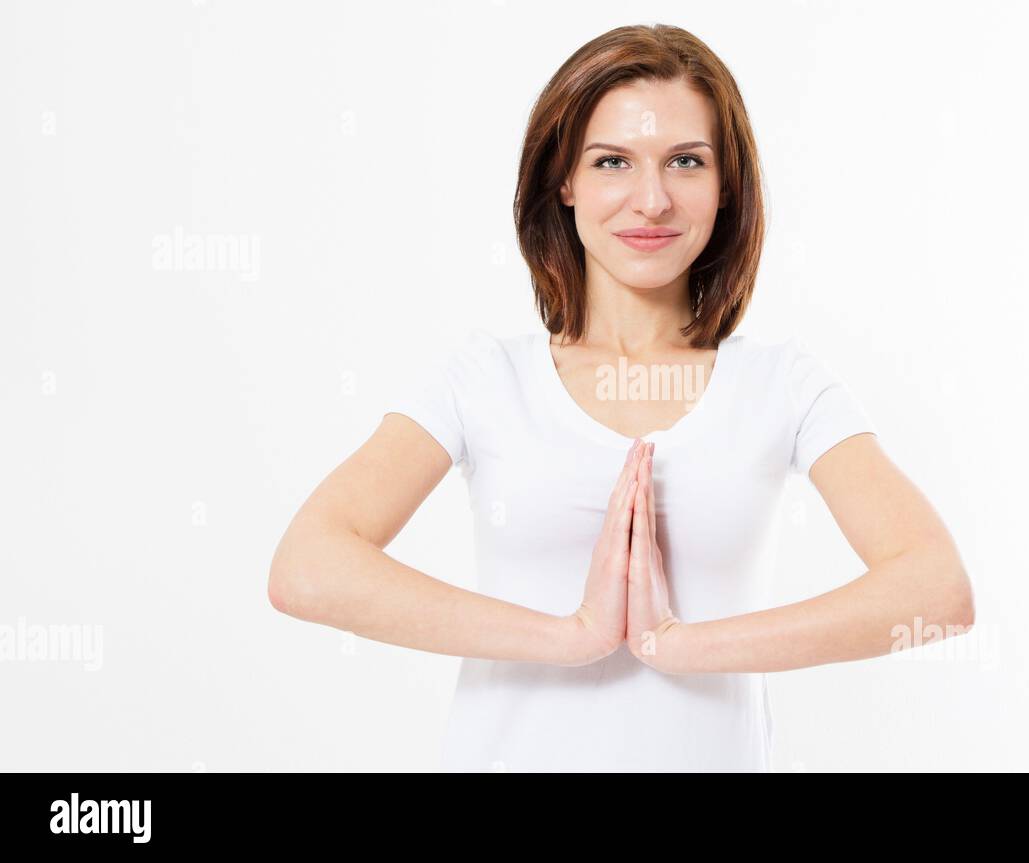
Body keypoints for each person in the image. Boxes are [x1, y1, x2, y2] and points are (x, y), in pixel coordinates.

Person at [268, 24, 974, 772]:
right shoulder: (484, 378)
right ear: (564, 182)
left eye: (685, 161)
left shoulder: (782, 386)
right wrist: (570, 634)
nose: (652, 199)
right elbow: (307, 566)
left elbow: (937, 589)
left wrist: (680, 644)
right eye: (613, 161)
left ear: (725, 183)